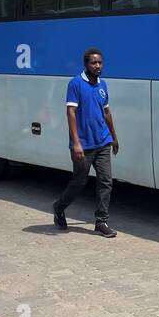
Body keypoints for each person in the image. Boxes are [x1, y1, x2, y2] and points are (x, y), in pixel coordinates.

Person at [52, 48, 119, 238]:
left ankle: (101, 221)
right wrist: (76, 143)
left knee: (106, 181)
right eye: (93, 63)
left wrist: (114, 137)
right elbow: (71, 113)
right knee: (79, 182)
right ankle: (59, 207)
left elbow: (106, 112)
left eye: (100, 63)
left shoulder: (103, 85)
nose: (98, 66)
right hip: (84, 145)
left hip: (103, 141)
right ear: (86, 64)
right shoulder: (75, 84)